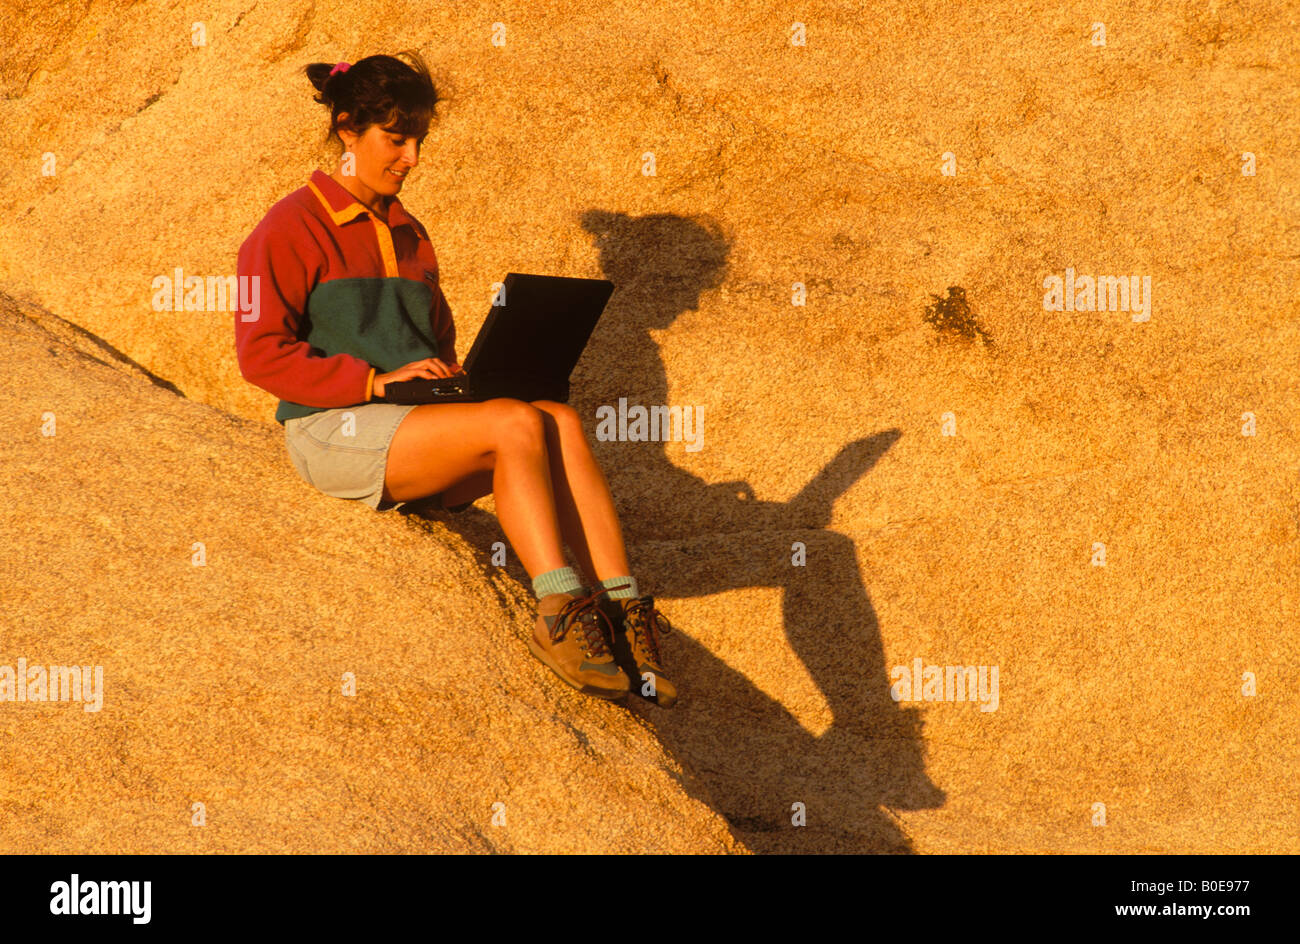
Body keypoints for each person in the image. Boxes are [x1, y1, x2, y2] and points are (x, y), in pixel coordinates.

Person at [234, 52, 675, 706]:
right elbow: (259, 355)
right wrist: (376, 384)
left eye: (418, 142)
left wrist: (455, 379)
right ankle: (558, 610)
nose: (411, 157)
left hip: (414, 427)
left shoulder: (411, 234)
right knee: (515, 422)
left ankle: (621, 610)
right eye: (396, 139)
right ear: (348, 129)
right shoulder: (285, 228)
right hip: (333, 431)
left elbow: (435, 345)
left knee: (557, 420)